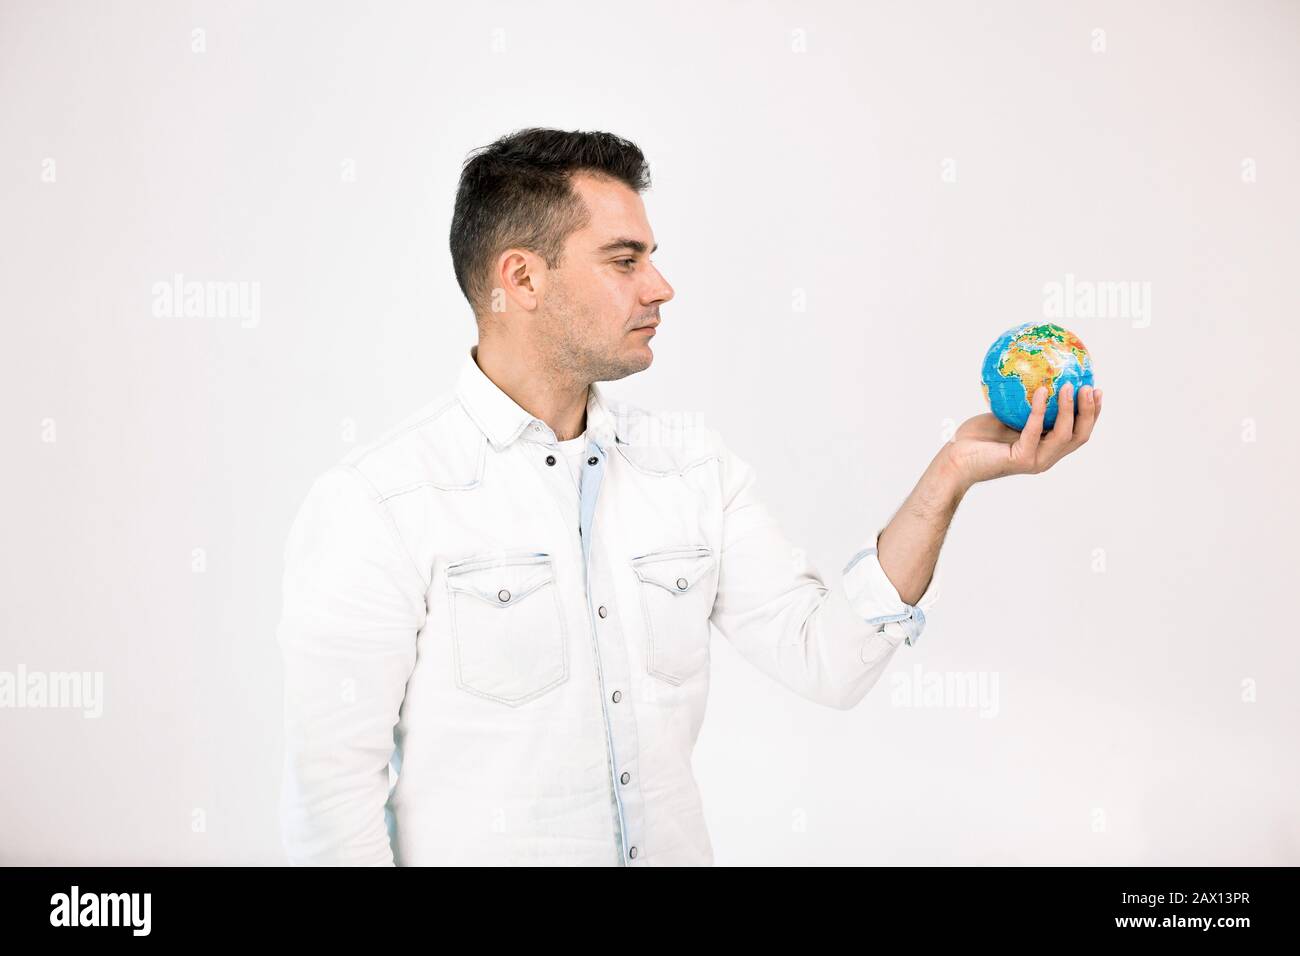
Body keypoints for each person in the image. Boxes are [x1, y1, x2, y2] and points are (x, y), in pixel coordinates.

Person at [276, 127, 1102, 866]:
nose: (661, 287)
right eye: (624, 260)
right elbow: (331, 806)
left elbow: (830, 660)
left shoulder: (692, 469)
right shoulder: (378, 504)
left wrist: (950, 472)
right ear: (522, 279)